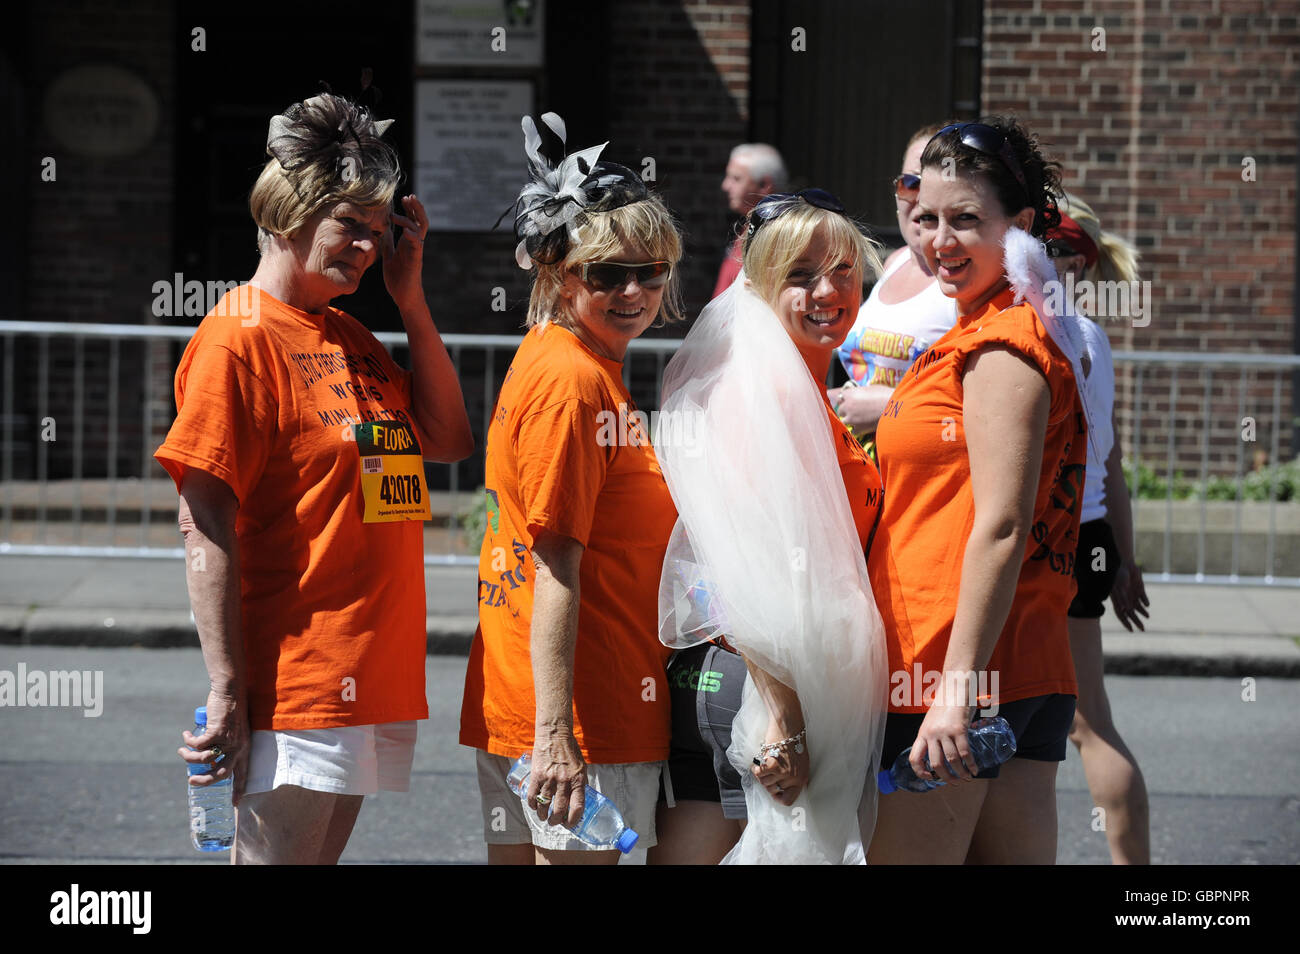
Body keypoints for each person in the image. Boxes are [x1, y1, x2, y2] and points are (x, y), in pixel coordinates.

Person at [156, 92, 473, 864]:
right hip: (299, 675)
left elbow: (449, 440)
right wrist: (228, 686)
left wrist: (412, 300)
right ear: (286, 217)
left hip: (369, 668)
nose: (366, 246)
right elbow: (204, 519)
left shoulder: (350, 333)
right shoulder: (238, 338)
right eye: (348, 226)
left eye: (377, 230)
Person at [458, 113, 685, 865]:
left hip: (546, 705)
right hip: (583, 718)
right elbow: (557, 559)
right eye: (607, 273)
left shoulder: (568, 360)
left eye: (649, 271)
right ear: (558, 272)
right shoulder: (572, 380)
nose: (633, 290)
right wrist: (558, 738)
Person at [867, 117, 1090, 864]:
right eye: (926, 218)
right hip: (1009, 660)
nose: (939, 240)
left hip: (951, 667)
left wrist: (955, 690)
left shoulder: (1003, 343)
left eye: (966, 220)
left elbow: (1001, 524)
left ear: (1020, 225)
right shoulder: (1002, 327)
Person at [653, 189, 890, 864]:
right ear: (759, 287)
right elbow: (738, 566)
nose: (828, 290)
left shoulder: (802, 387)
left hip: (773, 680)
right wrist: (783, 714)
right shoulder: (761, 394)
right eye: (801, 275)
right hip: (758, 684)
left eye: (843, 270)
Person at [1048, 192, 1152, 864]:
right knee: (1079, 722)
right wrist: (1123, 559)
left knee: (1082, 725)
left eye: (1053, 247)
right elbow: (1111, 466)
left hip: (1051, 542)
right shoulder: (1092, 336)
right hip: (1084, 540)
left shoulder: (1056, 336)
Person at [830, 123, 955, 462]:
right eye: (910, 183)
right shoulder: (895, 261)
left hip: (925, 482)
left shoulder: (964, 283)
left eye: (934, 184)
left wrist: (889, 407)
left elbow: (985, 412)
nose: (921, 199)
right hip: (868, 475)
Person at [713, 143, 787, 297]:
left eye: (736, 178)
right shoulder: (751, 224)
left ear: (764, 185)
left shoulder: (781, 234)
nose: (725, 186)